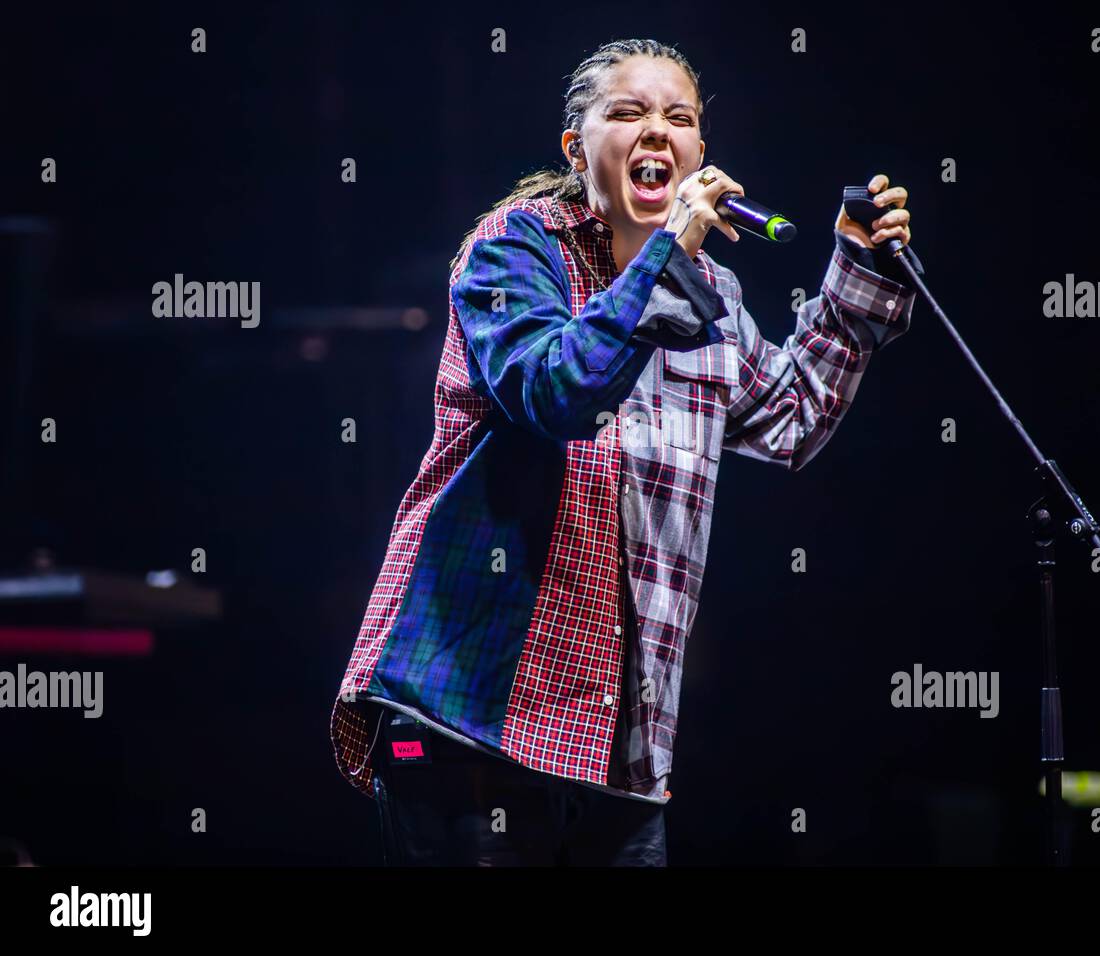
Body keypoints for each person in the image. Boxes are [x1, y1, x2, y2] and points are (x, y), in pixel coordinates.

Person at [330, 37, 920, 866]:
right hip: (470, 714)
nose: (656, 131)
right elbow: (555, 391)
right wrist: (667, 258)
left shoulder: (710, 295)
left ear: (699, 156)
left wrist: (855, 270)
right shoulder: (516, 247)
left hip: (619, 746)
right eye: (628, 112)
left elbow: (794, 417)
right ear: (578, 149)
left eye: (678, 119)